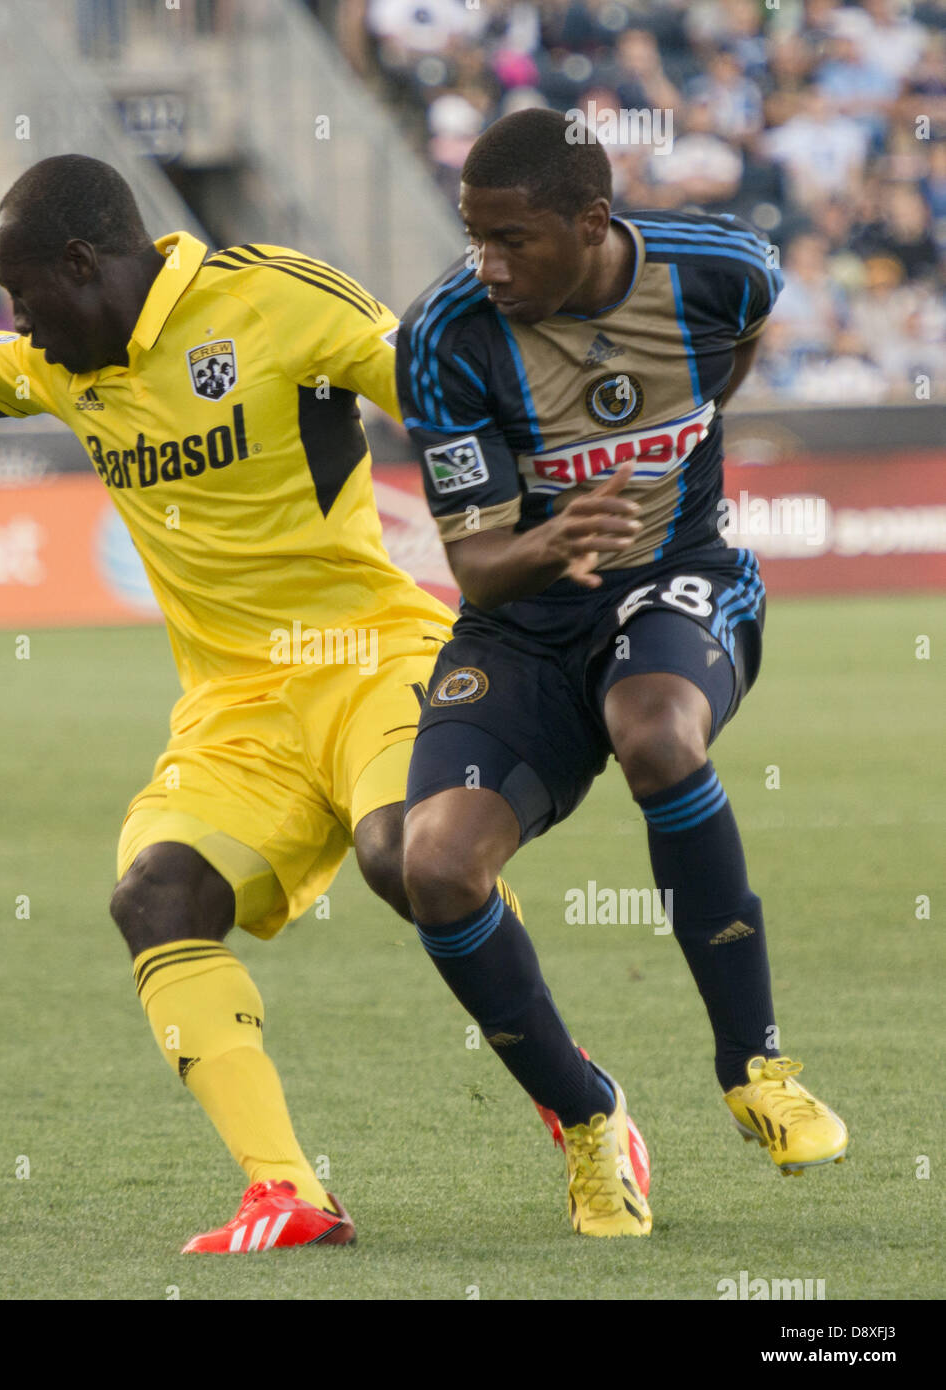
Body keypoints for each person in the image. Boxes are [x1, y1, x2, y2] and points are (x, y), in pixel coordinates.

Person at [0, 144, 641, 1252]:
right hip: (235, 709)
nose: (19, 323)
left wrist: (561, 509)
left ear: (82, 260)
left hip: (372, 654)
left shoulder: (275, 298)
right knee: (154, 897)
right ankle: (287, 1190)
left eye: (24, 295)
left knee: (410, 858)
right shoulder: (69, 359)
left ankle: (585, 1113)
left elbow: (441, 386)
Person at [395, 108, 848, 1238]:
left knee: (657, 733)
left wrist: (678, 456)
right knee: (436, 869)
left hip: (679, 576)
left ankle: (755, 1067)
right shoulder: (446, 337)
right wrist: (547, 542)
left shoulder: (718, 271)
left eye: (510, 240)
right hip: (523, 623)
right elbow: (474, 564)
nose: (485, 266)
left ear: (593, 221)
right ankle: (589, 1119)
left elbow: (739, 341)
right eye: (472, 237)